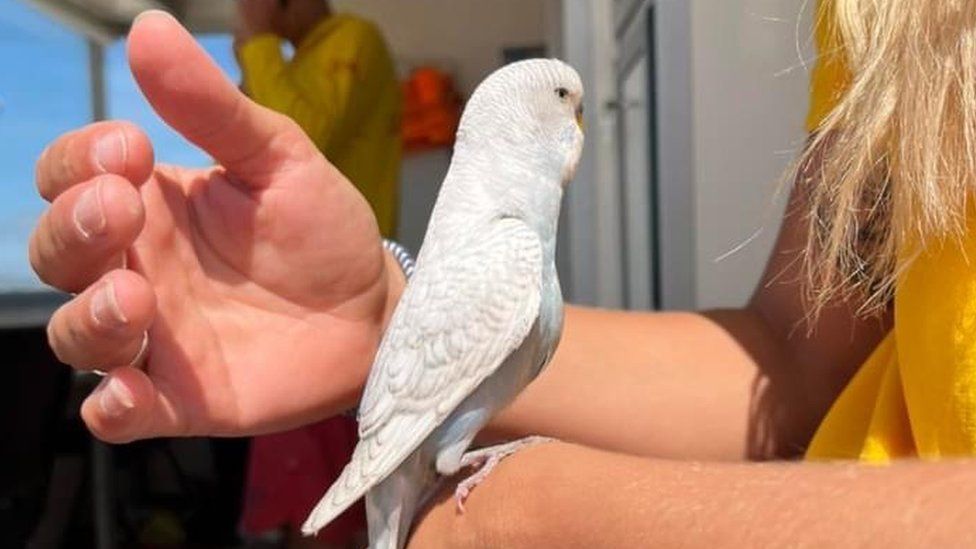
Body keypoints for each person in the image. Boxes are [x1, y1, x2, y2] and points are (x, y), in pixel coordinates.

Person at [27, 5, 976, 547]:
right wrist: (384, 315)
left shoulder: (356, 45)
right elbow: (791, 363)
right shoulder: (876, 15)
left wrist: (537, 510)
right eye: (563, 104)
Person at [232, 2, 400, 545]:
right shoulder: (297, 62)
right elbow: (246, 157)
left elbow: (302, 138)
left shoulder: (353, 38)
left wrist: (259, 42)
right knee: (310, 492)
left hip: (337, 298)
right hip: (298, 297)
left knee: (324, 500)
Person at [234, 0, 401, 237]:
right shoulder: (292, 69)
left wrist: (259, 41)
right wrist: (249, 73)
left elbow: (303, 143)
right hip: (300, 244)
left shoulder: (356, 36)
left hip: (353, 246)